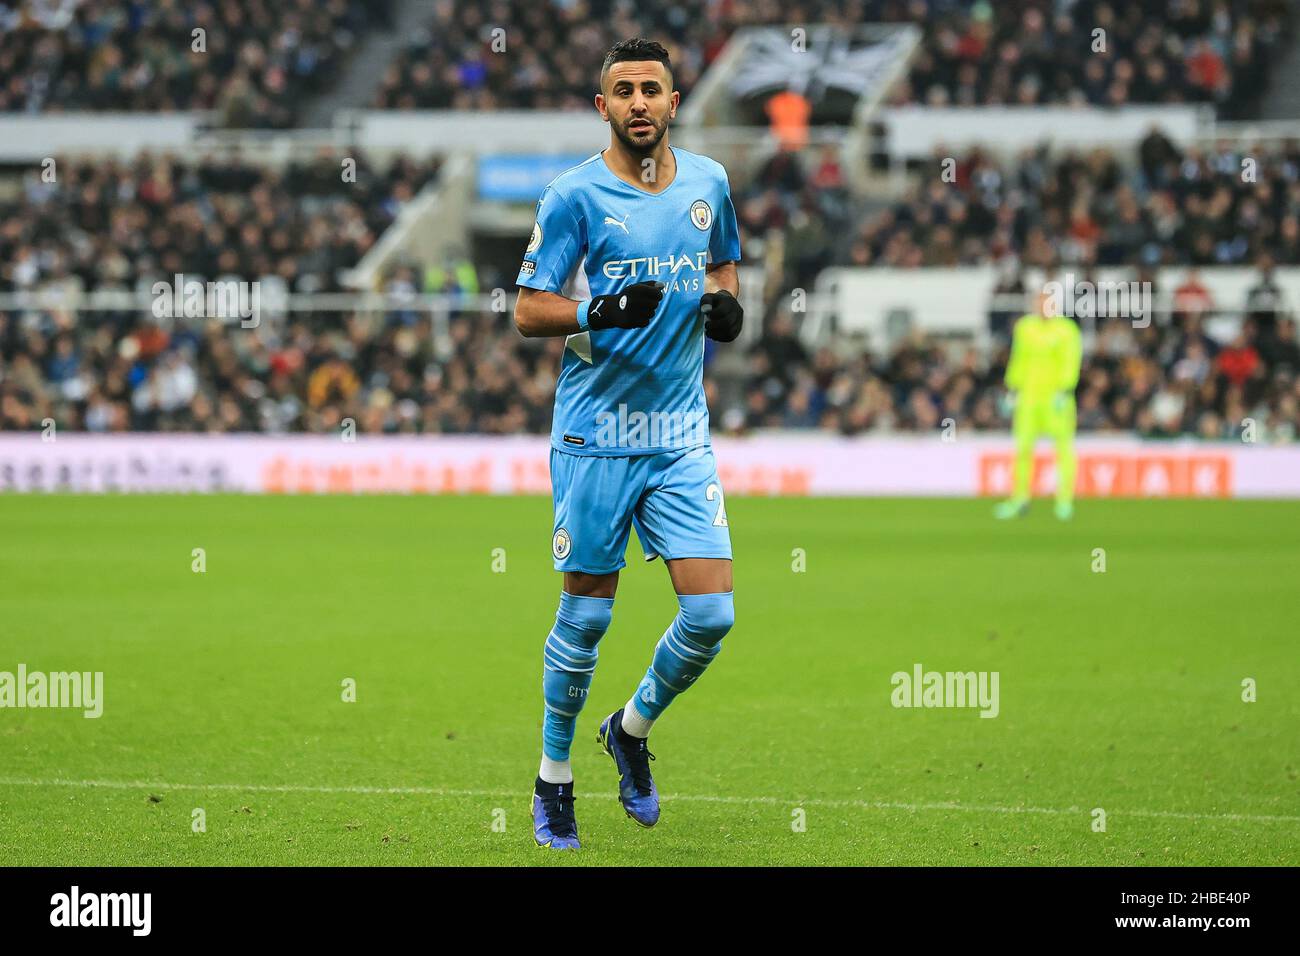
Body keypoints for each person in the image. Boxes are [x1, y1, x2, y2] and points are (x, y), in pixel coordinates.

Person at [513, 37, 744, 850]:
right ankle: (553, 779)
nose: (639, 101)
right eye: (624, 90)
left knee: (712, 614)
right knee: (583, 621)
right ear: (602, 106)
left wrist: (728, 310)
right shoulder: (573, 197)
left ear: (675, 102)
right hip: (596, 437)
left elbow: (723, 270)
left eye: (652, 88)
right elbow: (527, 307)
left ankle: (631, 728)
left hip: (679, 434)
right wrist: (597, 312)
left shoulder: (710, 183)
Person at [995, 288, 1083, 520]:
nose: (1043, 307)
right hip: (1029, 398)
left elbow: (1071, 361)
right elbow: (1018, 358)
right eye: (1040, 302)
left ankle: (1064, 501)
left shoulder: (1066, 330)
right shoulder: (1025, 327)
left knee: (1063, 449)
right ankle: (1019, 498)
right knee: (1022, 449)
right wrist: (1013, 389)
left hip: (1056, 399)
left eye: (1047, 302)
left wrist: (1065, 390)